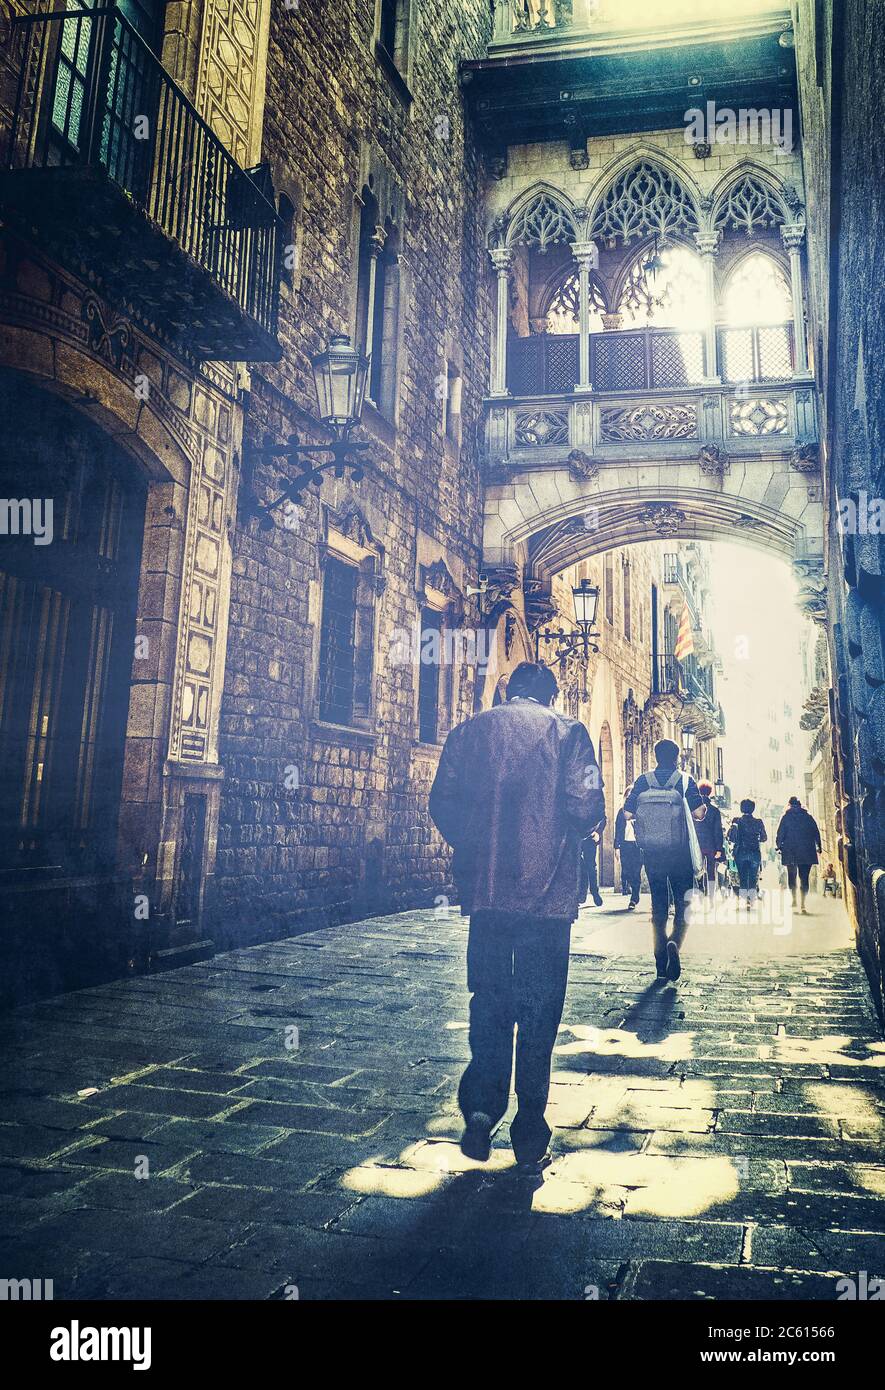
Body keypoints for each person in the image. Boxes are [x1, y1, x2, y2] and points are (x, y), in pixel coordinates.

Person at [429, 662, 605, 1168]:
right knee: (539, 1009)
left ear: (509, 691)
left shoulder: (469, 731)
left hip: (487, 897)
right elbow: (586, 804)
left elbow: (442, 801)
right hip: (548, 903)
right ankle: (530, 1126)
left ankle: (482, 1109)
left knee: (488, 1000)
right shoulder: (570, 734)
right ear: (549, 695)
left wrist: (476, 845)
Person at [623, 739, 704, 982]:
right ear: (677, 757)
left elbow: (628, 813)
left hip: (652, 853)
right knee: (684, 905)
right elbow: (699, 813)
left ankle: (660, 960)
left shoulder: (642, 780)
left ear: (656, 756)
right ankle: (674, 944)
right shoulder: (685, 780)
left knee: (659, 906)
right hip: (679, 853)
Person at [776, 796, 822, 914]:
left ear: (789, 805)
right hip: (806, 851)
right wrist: (819, 846)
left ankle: (794, 899)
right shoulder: (808, 817)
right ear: (800, 805)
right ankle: (803, 903)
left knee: (792, 877)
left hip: (790, 852)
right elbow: (816, 832)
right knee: (804, 878)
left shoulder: (786, 818)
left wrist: (779, 846)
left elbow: (780, 833)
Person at [727, 798, 767, 907]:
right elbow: (764, 838)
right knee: (753, 877)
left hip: (740, 853)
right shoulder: (758, 822)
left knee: (743, 877)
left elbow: (730, 837)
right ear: (753, 809)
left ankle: (745, 900)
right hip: (754, 853)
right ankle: (751, 899)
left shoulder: (737, 821)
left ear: (741, 808)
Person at [694, 780, 724, 900]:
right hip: (711, 845)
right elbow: (718, 831)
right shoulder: (715, 810)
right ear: (710, 792)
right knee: (711, 871)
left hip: (697, 844)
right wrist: (719, 848)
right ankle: (710, 896)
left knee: (696, 868)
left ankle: (699, 890)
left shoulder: (694, 808)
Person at [614, 788, 642, 908]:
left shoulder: (640, 812)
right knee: (626, 870)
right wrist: (616, 847)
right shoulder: (621, 812)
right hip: (625, 845)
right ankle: (631, 888)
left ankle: (634, 898)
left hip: (637, 846)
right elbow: (618, 830)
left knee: (636, 871)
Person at [581, 816, 606, 907]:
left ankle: (594, 892)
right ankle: (580, 894)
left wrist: (598, 832)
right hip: (575, 837)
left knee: (591, 866)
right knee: (576, 866)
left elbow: (603, 818)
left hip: (590, 838)